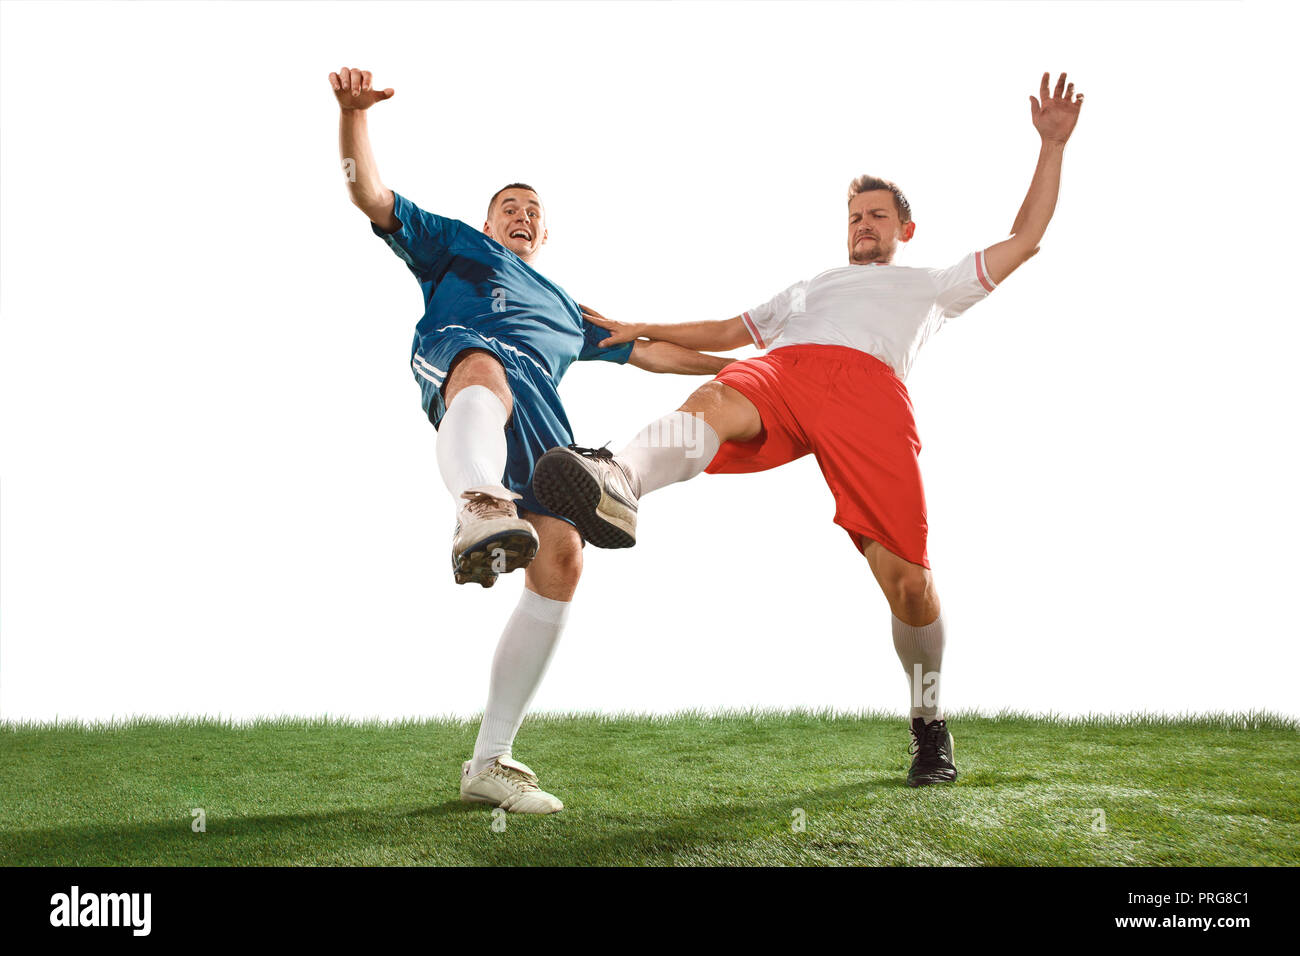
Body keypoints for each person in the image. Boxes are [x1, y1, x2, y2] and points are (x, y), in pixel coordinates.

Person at [533, 72, 1084, 787]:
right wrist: (643, 326)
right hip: (788, 372)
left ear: (904, 229)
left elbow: (1028, 237)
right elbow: (732, 330)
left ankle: (929, 723)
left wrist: (1050, 145)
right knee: (718, 397)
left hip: (871, 398)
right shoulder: (810, 288)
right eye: (856, 216)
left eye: (877, 216)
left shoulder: (932, 285)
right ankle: (620, 478)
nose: (863, 226)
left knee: (910, 586)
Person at [330, 66, 731, 812]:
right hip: (469, 362)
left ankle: (490, 762)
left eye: (532, 211)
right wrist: (354, 117)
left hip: (542, 422)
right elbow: (370, 194)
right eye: (508, 207)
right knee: (483, 367)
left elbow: (648, 348)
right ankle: (479, 503)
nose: (520, 215)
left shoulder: (568, 310)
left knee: (563, 557)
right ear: (488, 224)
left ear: (545, 233)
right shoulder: (453, 245)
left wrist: (754, 371)